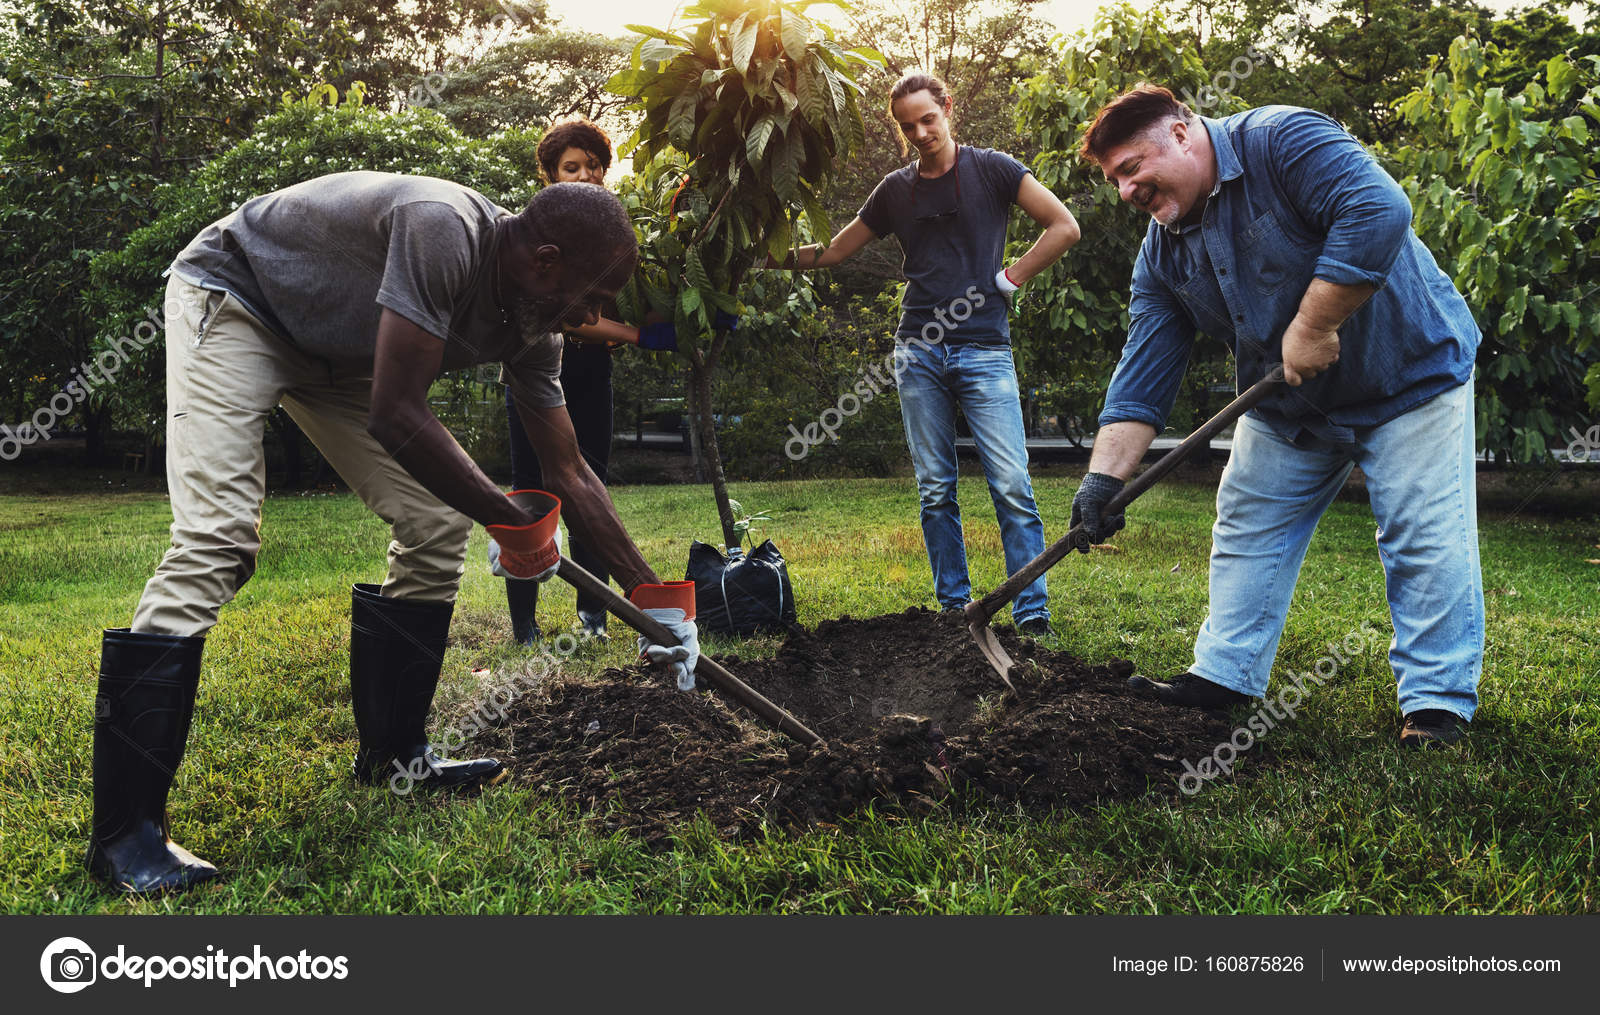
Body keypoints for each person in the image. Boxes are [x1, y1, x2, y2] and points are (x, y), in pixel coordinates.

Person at [88, 171, 700, 895]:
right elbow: (396, 412)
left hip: (333, 351)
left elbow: (568, 467)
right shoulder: (443, 229)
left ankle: (395, 757)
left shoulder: (536, 333)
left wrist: (653, 597)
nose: (594, 316)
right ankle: (126, 839)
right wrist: (509, 520)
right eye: (592, 296)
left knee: (434, 522)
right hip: (240, 300)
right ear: (546, 261)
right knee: (218, 538)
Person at [1072, 85, 1483, 748]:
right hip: (1290, 402)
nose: (1125, 191)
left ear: (1181, 133)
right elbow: (1145, 370)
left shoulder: (1281, 139)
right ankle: (1224, 676)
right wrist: (1103, 479)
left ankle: (1436, 704)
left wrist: (1314, 323)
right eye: (1114, 180)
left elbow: (1379, 208)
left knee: (1421, 537)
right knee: (1248, 524)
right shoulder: (1162, 254)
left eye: (1131, 168)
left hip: (1407, 373)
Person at [765, 71, 1080, 636]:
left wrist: (1009, 278)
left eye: (928, 119)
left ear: (947, 108)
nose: (920, 133)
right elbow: (834, 251)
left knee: (1012, 486)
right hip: (917, 352)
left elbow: (1064, 226)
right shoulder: (894, 190)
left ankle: (1032, 614)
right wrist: (760, 257)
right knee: (935, 490)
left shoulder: (994, 169)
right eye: (907, 126)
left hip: (984, 348)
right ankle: (954, 612)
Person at [501, 118, 724, 646]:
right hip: (534, 371)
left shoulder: (613, 231)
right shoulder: (535, 233)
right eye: (571, 168)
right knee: (530, 494)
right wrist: (637, 335)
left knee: (591, 488)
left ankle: (593, 618)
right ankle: (524, 625)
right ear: (550, 175)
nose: (585, 176)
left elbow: (630, 299)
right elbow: (565, 315)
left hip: (591, 371)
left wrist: (697, 304)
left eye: (594, 166)